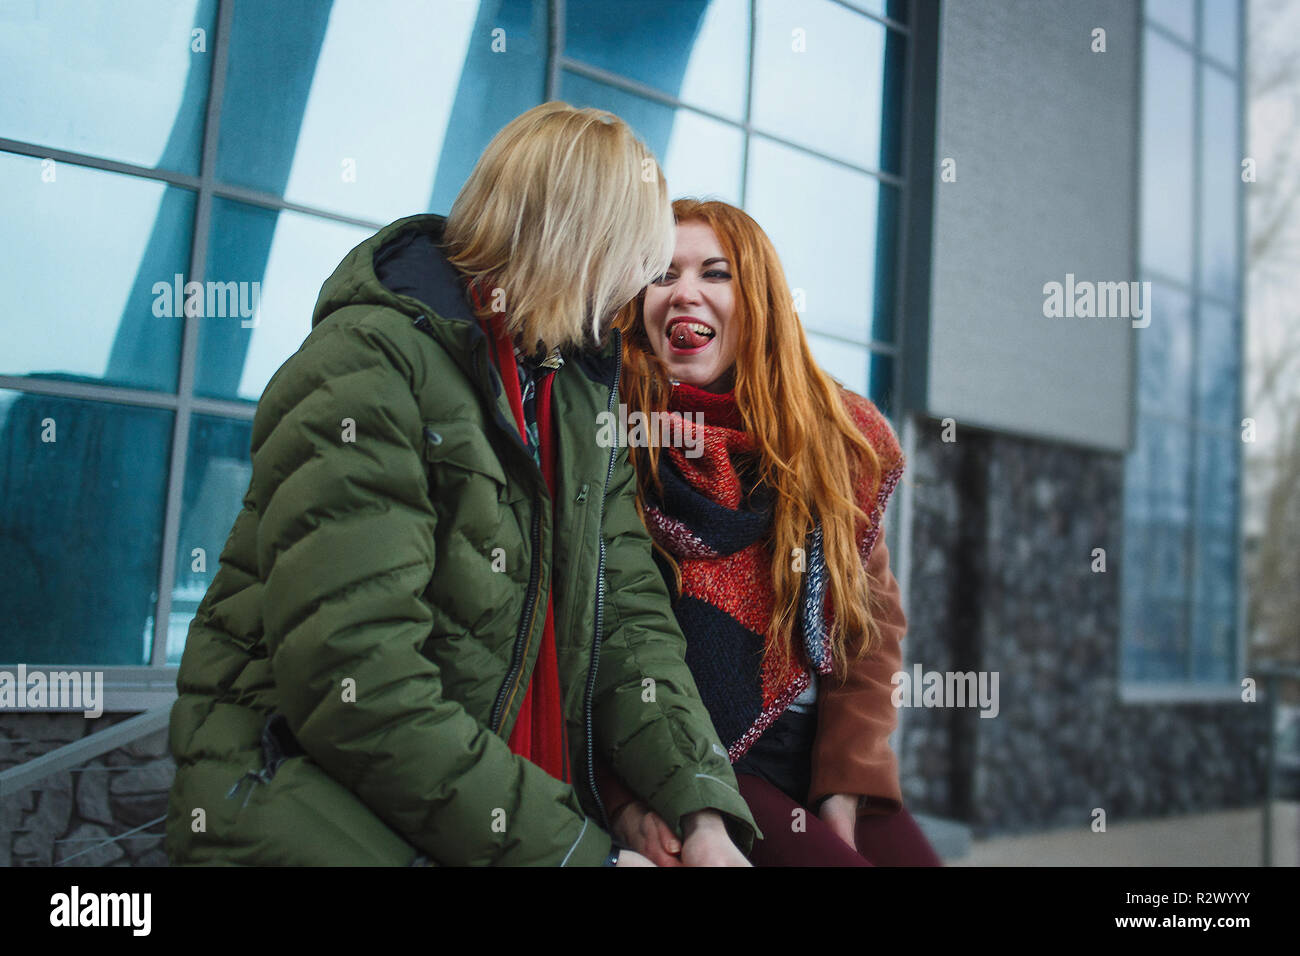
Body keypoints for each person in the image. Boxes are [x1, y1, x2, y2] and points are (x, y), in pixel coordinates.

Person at [165, 104, 761, 867]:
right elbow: (358, 679)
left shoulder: (576, 393)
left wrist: (698, 805)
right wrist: (583, 856)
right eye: (631, 263)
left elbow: (628, 625)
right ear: (574, 245)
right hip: (304, 804)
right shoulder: (365, 368)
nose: (631, 298)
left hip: (493, 810)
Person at [602, 198, 943, 866]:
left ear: (757, 297)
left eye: (715, 273)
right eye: (662, 274)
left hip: (823, 750)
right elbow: (601, 645)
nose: (684, 293)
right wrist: (623, 802)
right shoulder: (617, 436)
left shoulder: (835, 438)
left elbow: (868, 633)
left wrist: (845, 785)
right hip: (705, 757)